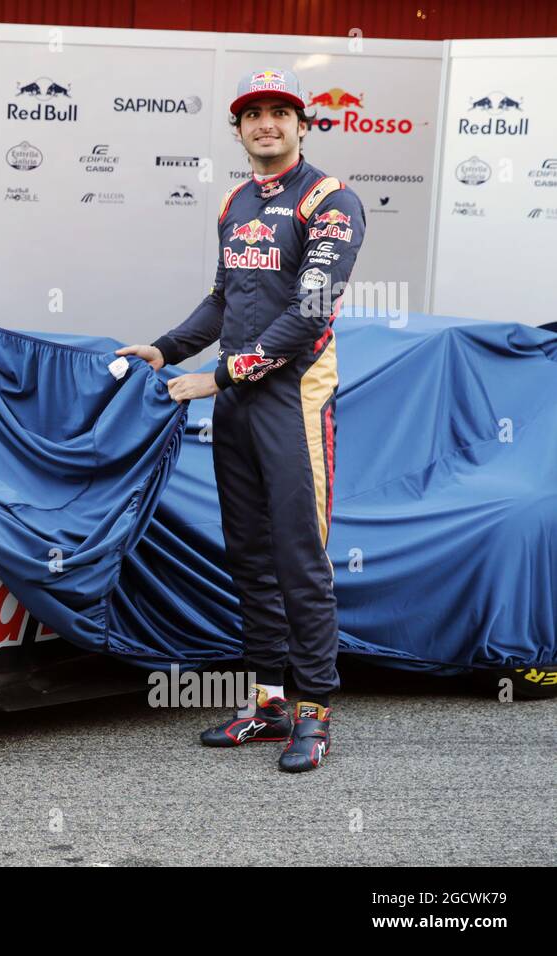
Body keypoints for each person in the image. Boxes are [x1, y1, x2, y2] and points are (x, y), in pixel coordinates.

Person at [117, 68, 366, 773]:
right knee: (250, 556)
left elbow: (311, 311)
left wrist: (218, 375)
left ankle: (314, 712)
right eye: (253, 114)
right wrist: (165, 349)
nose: (266, 124)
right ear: (238, 129)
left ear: (301, 123)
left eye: (279, 113)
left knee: (299, 560)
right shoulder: (235, 202)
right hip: (236, 404)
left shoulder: (330, 198)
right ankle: (268, 703)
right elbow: (223, 303)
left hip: (295, 401)